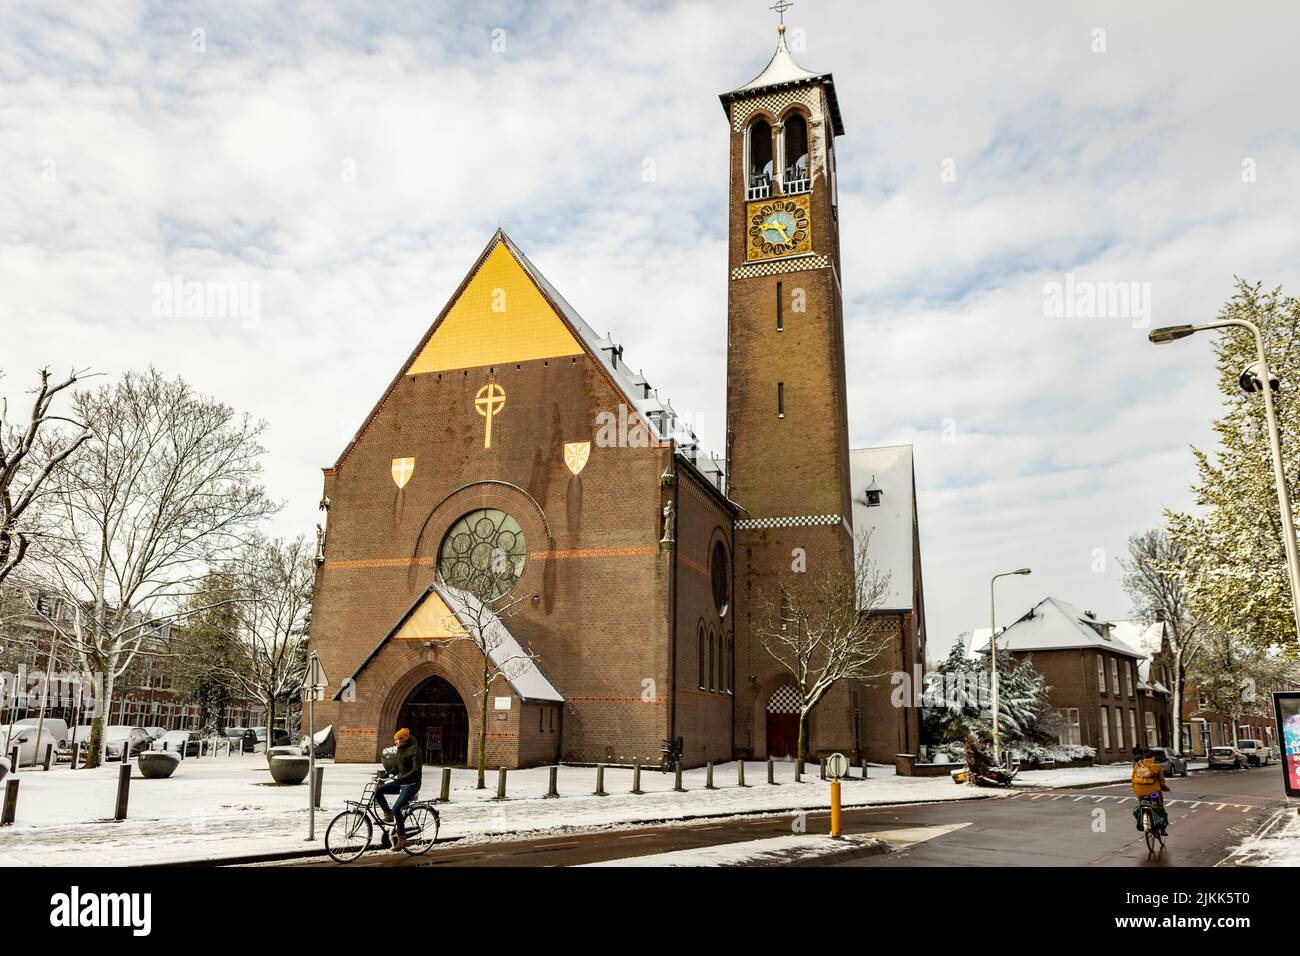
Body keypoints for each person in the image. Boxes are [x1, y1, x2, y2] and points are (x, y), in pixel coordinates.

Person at [375, 728, 422, 850]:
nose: (395, 742)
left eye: (397, 740)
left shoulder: (415, 751)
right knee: (378, 791)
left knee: (397, 808)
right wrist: (382, 777)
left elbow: (415, 770)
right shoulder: (400, 750)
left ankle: (402, 838)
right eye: (395, 740)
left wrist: (400, 780)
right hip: (401, 782)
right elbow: (395, 769)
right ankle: (388, 814)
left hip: (411, 784)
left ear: (403, 740)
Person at [1131, 747, 1170, 835]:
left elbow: (1133, 779)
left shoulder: (1137, 766)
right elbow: (1161, 782)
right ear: (1153, 757)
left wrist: (1135, 788)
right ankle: (1163, 829)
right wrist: (1165, 788)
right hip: (1153, 794)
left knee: (1142, 805)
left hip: (1139, 792)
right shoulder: (1156, 767)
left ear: (1144, 757)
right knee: (1159, 808)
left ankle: (1144, 820)